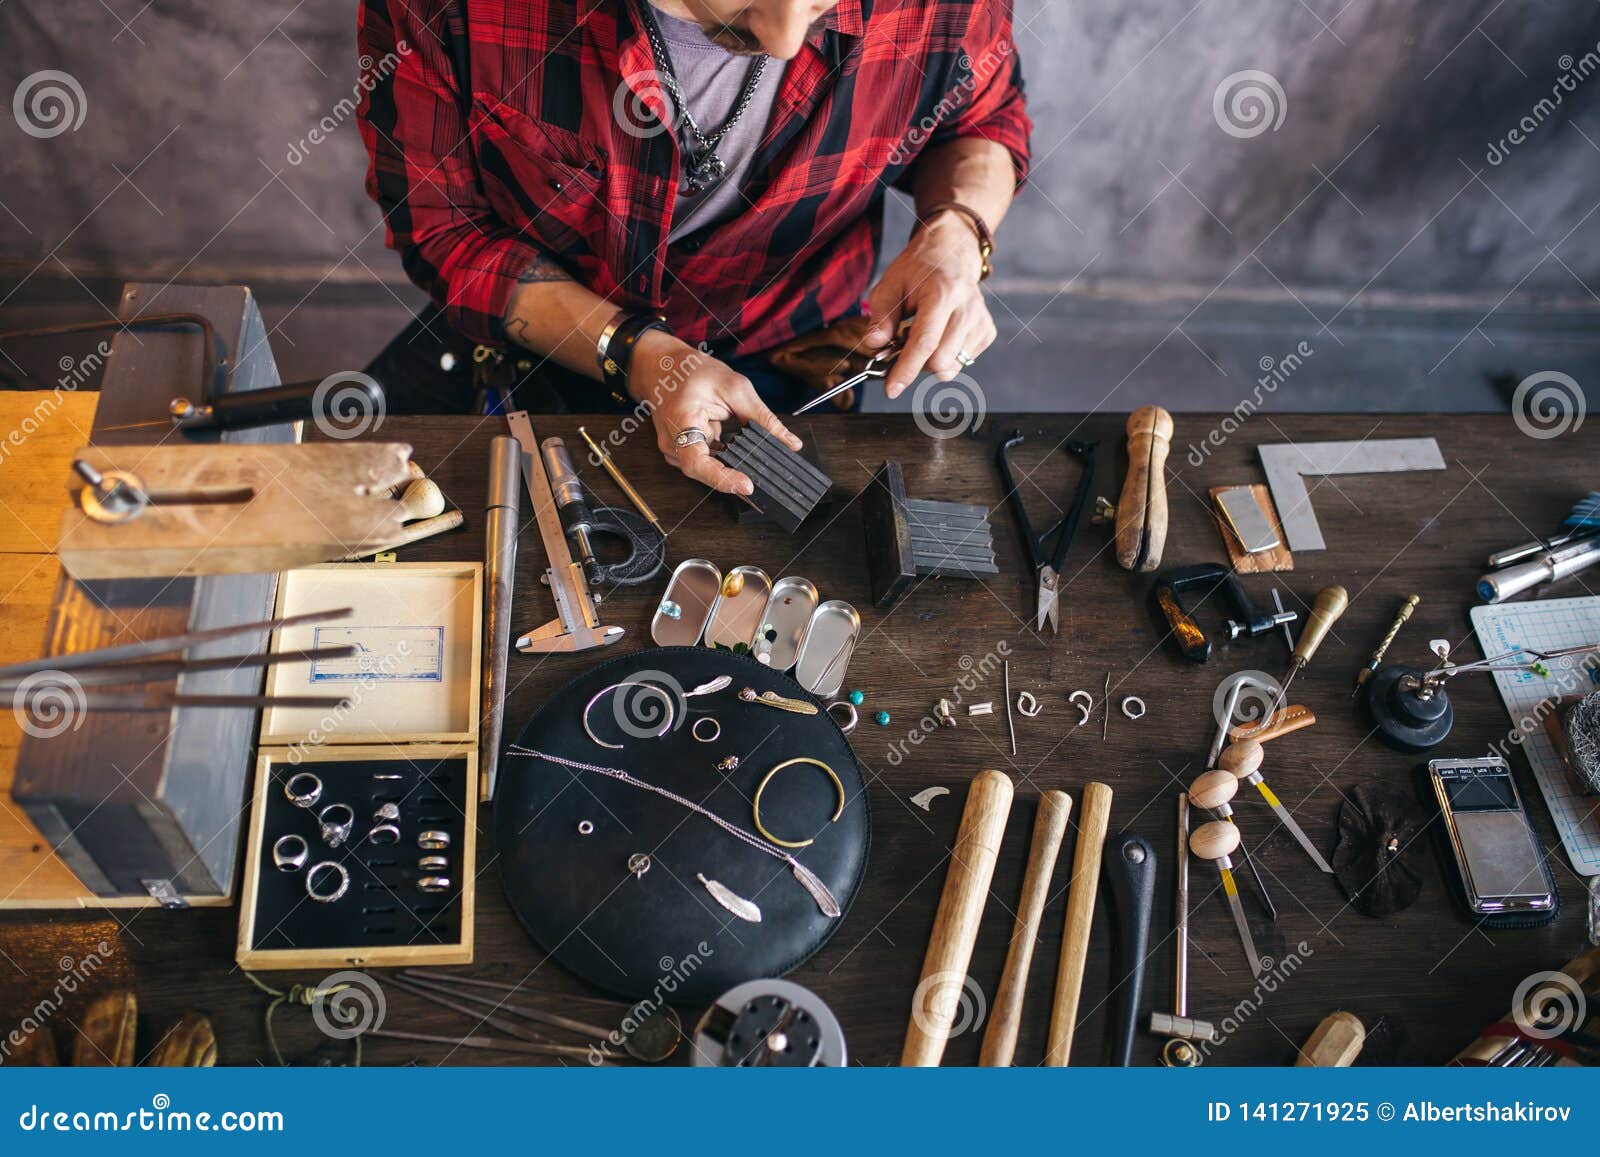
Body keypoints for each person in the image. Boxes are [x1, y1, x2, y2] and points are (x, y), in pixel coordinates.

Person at [357, 0, 1029, 495]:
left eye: (827, 4)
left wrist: (959, 229)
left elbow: (981, 119)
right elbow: (446, 230)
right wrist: (639, 355)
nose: (788, 42)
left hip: (792, 350)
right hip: (549, 342)